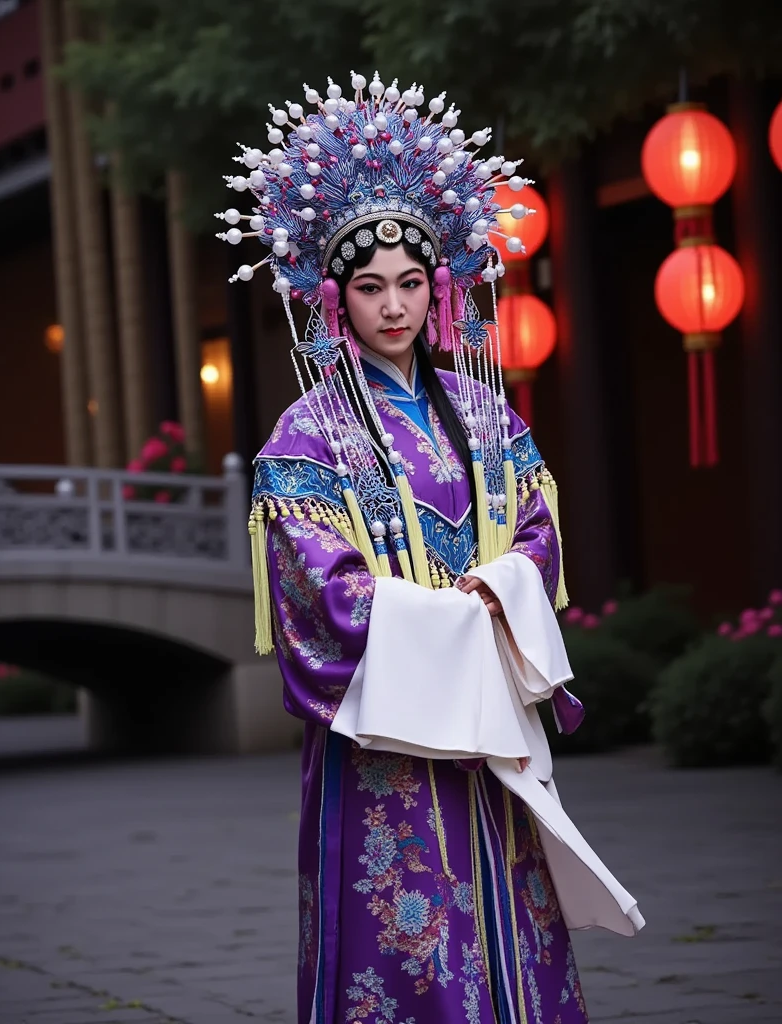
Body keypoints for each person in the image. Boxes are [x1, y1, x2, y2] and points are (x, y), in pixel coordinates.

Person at [219, 71, 644, 1024]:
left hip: (488, 708)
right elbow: (316, 587)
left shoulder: (486, 412)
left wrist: (494, 595)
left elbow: (537, 530)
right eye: (370, 287)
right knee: (406, 926)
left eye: (411, 284)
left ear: (439, 286)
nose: (394, 307)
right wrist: (454, 618)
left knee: (509, 908)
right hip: (387, 731)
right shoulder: (308, 433)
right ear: (335, 298)